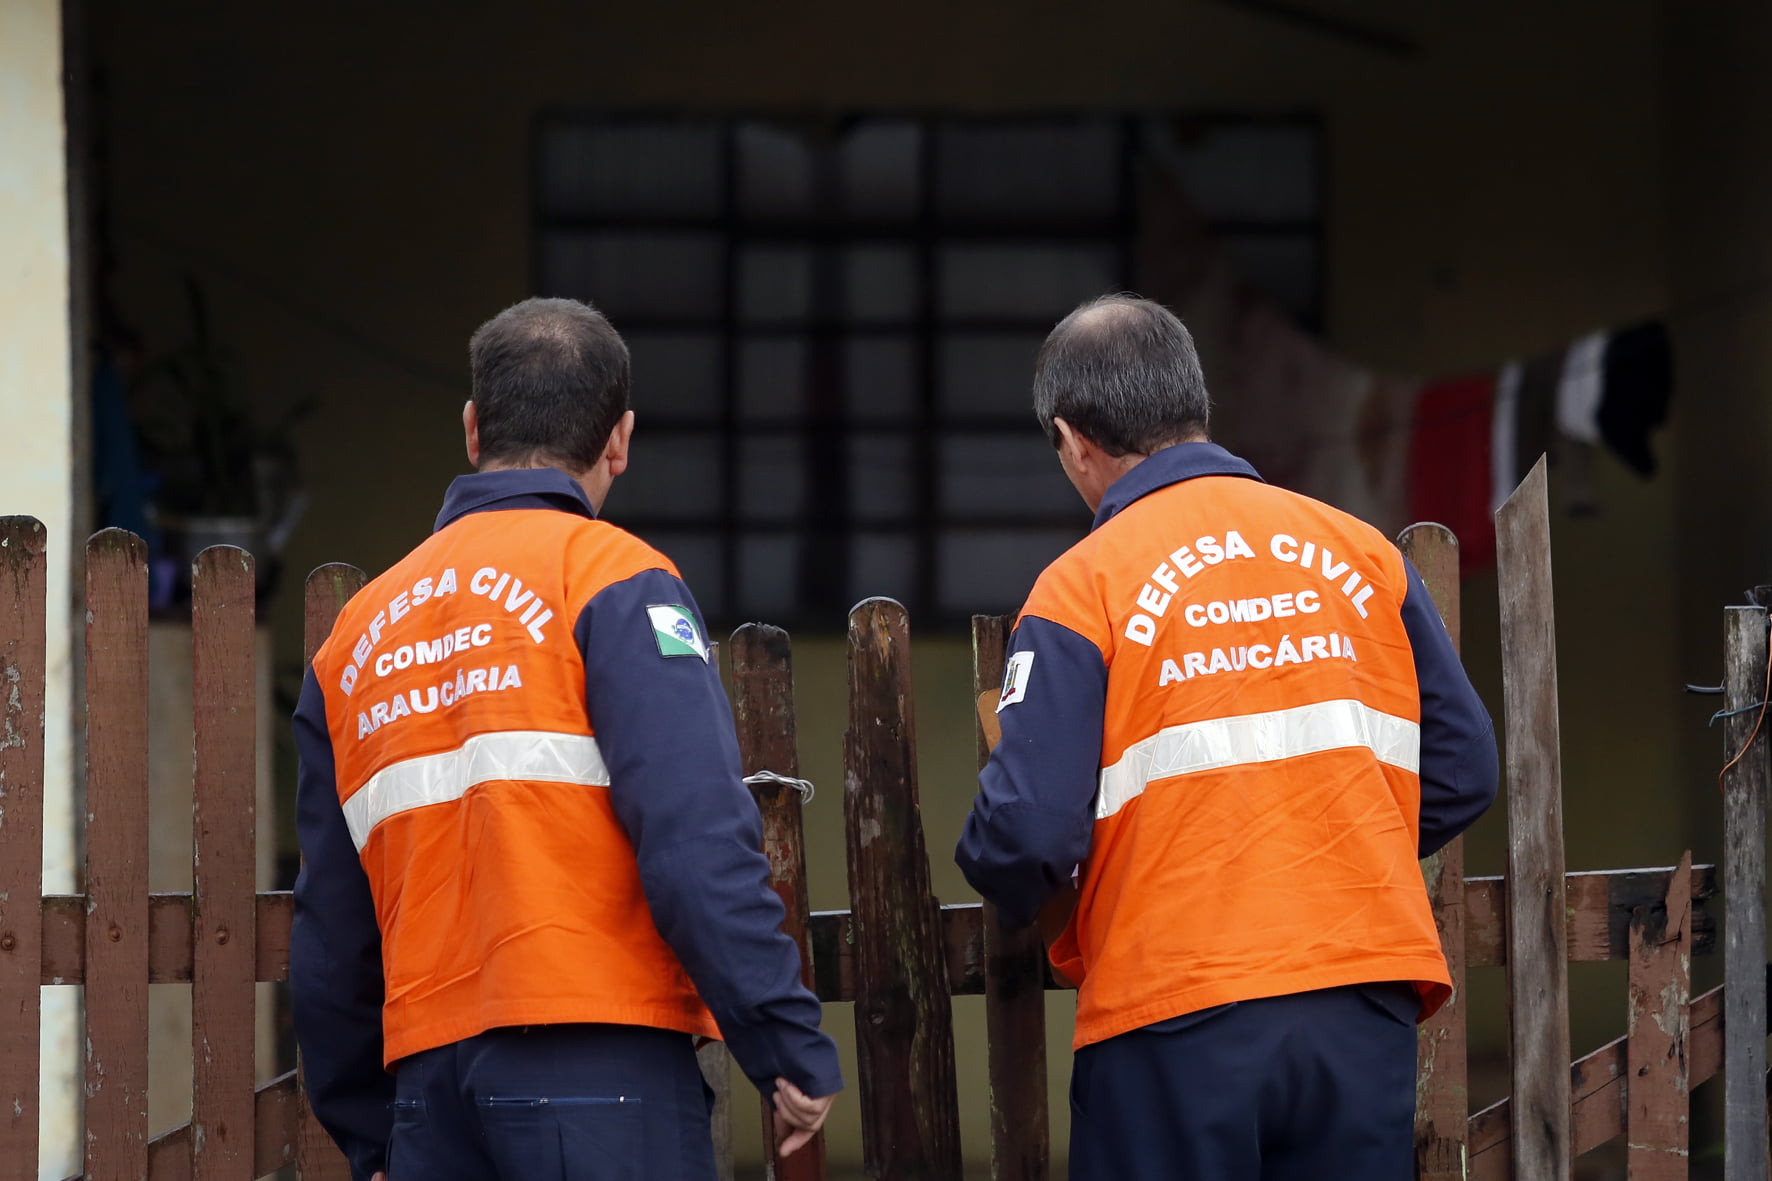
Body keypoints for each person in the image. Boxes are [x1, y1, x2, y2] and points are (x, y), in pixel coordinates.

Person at [292, 297, 841, 1181]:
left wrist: (371, 1130)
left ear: (473, 428)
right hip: (601, 1064)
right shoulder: (615, 580)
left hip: (428, 1091)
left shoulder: (353, 640)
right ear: (619, 440)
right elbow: (695, 836)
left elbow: (330, 923)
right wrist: (782, 1039)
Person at [955, 295, 1498, 1181]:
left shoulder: (1083, 586)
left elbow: (1026, 830)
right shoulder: (1362, 554)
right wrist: (1326, 839)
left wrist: (1003, 872)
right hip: (1362, 994)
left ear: (1072, 440)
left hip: (1173, 1002)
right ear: (1193, 403)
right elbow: (1465, 768)